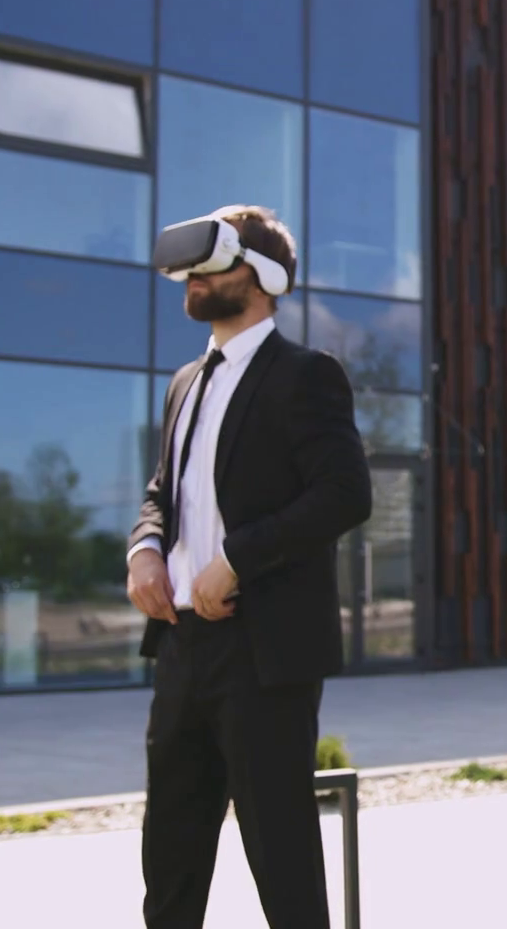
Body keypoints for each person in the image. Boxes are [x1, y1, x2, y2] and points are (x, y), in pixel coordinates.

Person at [127, 205, 372, 929]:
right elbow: (161, 493)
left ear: (261, 277)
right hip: (180, 649)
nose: (197, 281)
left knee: (282, 860)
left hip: (263, 654)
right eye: (193, 269)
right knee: (169, 855)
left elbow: (345, 493)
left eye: (214, 266)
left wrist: (235, 559)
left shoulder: (305, 376)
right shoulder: (183, 383)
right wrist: (145, 548)